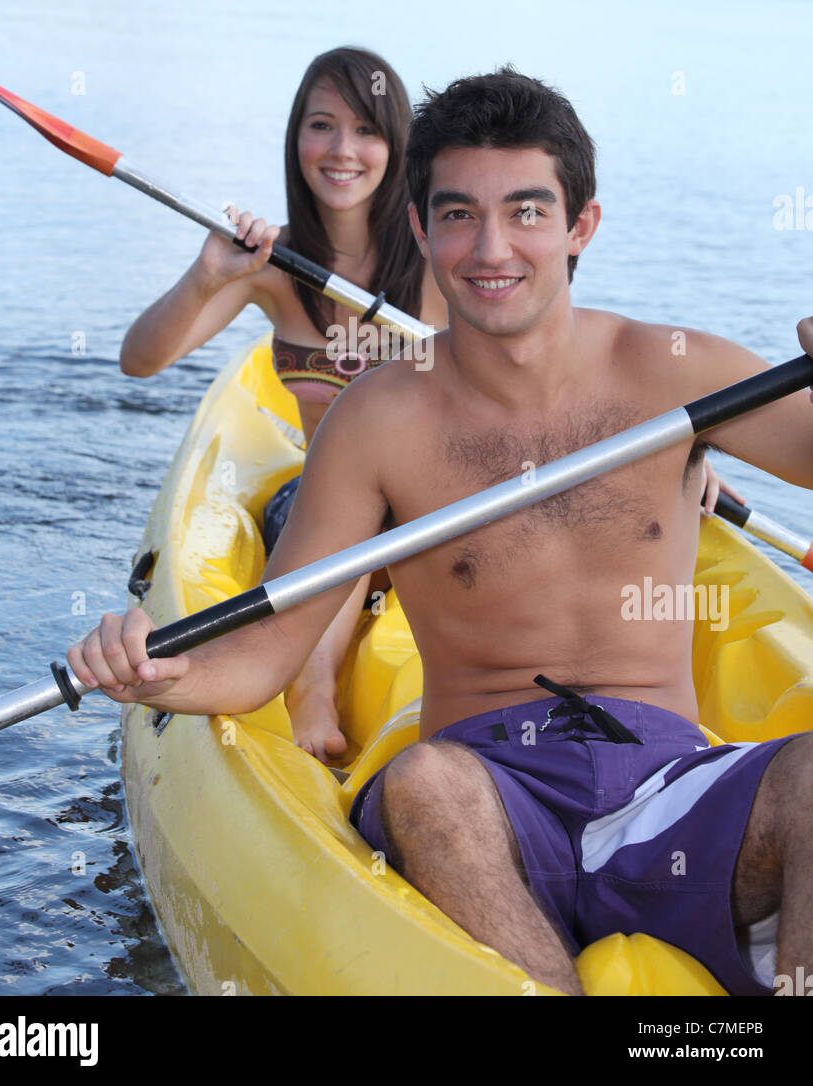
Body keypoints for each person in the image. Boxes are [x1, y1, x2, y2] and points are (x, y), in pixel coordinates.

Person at [68, 68, 813, 997]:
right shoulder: (379, 422)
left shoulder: (677, 374)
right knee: (423, 782)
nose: (491, 247)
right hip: (485, 794)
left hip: (664, 788)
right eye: (458, 214)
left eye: (528, 212)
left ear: (581, 226)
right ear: (420, 229)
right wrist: (149, 672)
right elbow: (265, 657)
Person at [119, 45, 447, 762]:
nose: (341, 150)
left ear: (398, 147)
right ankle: (313, 688)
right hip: (320, 512)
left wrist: (684, 452)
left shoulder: (444, 268)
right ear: (296, 138)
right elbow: (139, 361)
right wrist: (207, 276)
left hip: (437, 507)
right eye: (321, 126)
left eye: (366, 131)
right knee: (355, 504)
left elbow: (541, 371)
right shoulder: (270, 266)